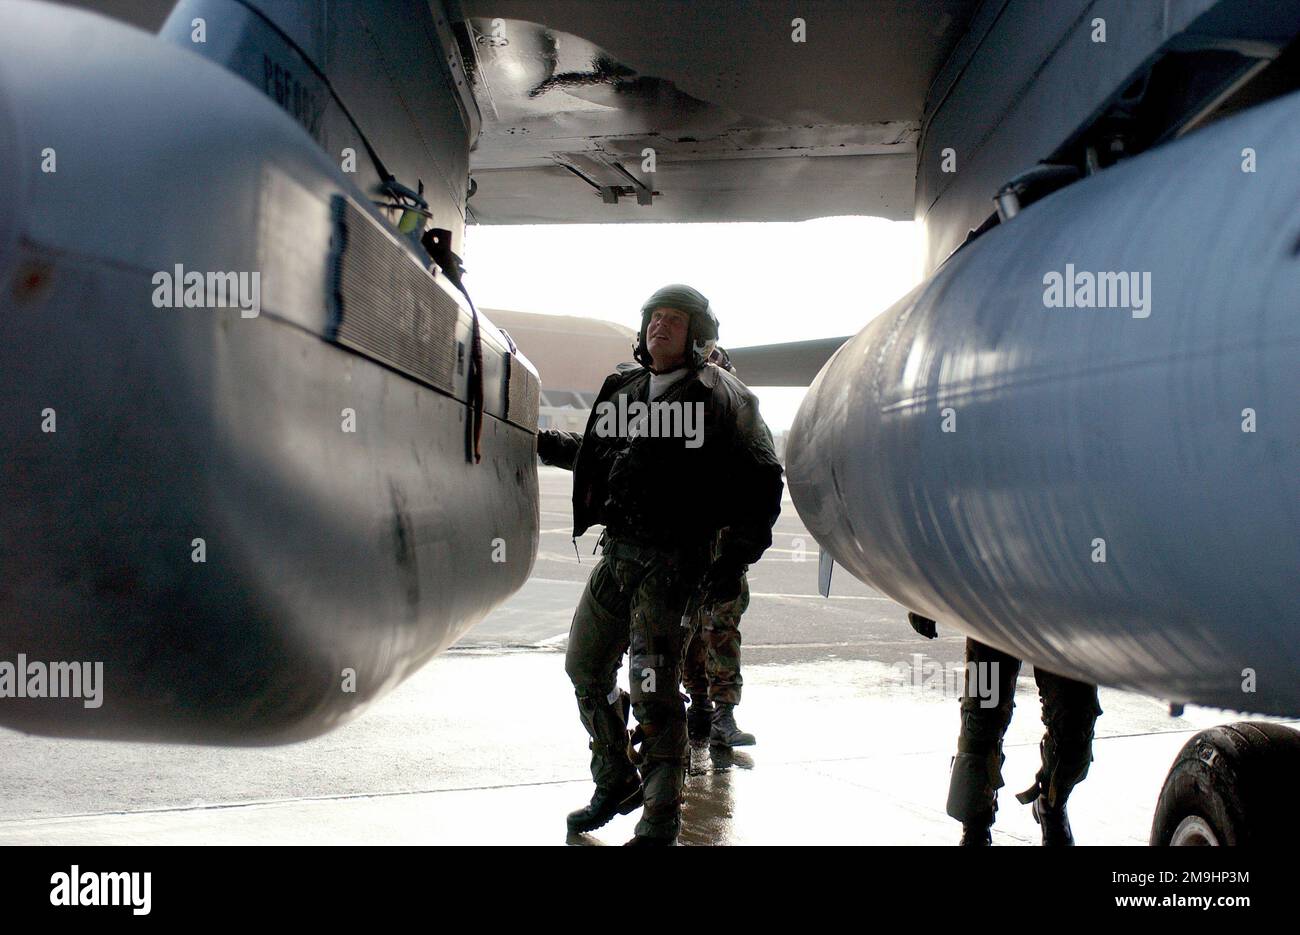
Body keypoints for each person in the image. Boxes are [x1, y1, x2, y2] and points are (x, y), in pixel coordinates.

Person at [538, 284, 784, 845]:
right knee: (584, 667)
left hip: (674, 563)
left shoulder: (726, 398)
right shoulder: (623, 388)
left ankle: (661, 819)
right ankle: (616, 778)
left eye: (674, 320)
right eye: (654, 318)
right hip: (618, 553)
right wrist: (541, 443)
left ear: (698, 334)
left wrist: (732, 563)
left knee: (652, 686)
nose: (660, 327)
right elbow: (595, 451)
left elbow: (763, 478)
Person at [906, 613, 1103, 846]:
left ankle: (1052, 804)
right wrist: (920, 602)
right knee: (980, 724)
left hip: (1062, 609)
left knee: (1074, 725)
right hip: (993, 611)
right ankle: (975, 824)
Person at [683, 346, 756, 748]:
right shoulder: (677, 414)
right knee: (687, 631)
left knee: (723, 629)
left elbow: (759, 479)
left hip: (724, 549)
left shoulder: (739, 421)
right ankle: (700, 706)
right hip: (685, 545)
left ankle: (724, 713)